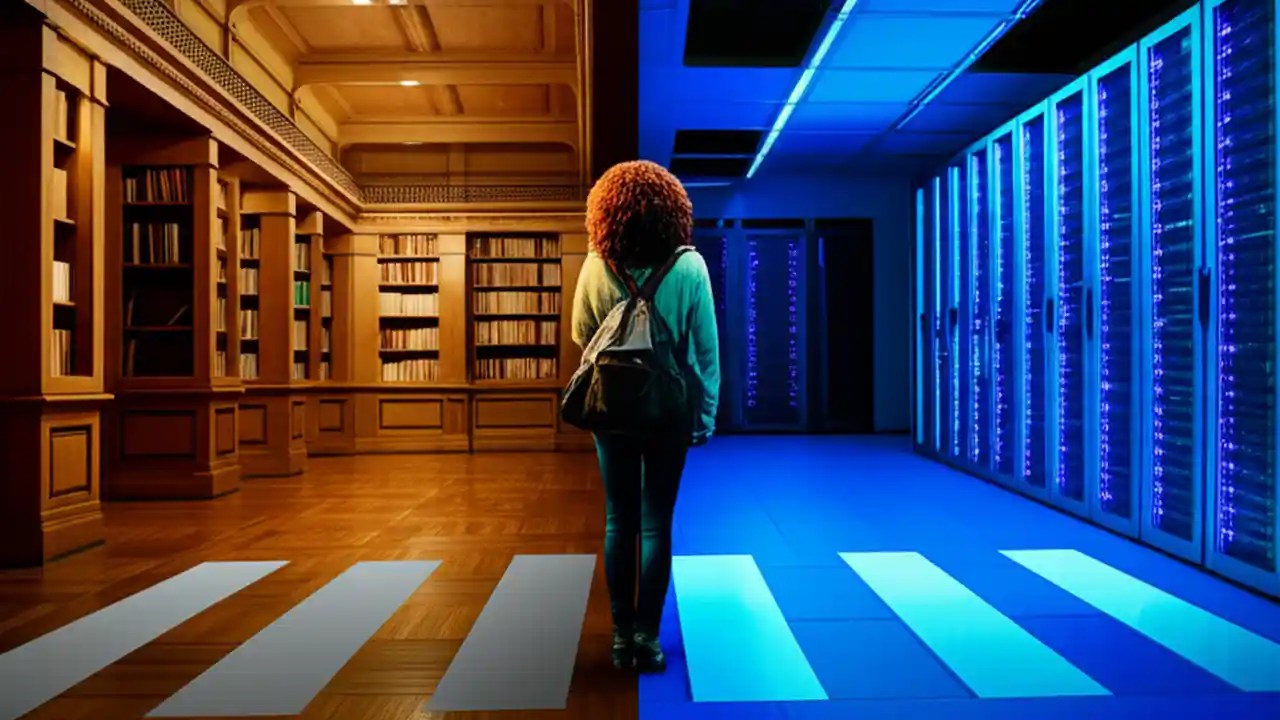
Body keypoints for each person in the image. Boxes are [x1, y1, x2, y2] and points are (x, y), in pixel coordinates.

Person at [571, 160, 721, 673]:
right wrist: (704, 416)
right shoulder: (690, 267)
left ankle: (618, 637)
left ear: (604, 211)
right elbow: (706, 354)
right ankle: (648, 638)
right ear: (673, 211)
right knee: (657, 523)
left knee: (619, 521)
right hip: (670, 413)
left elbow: (580, 337)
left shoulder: (595, 265)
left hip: (612, 412)